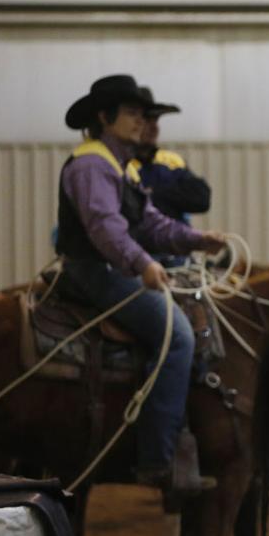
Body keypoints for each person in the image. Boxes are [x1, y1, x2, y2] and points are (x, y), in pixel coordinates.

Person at [56, 74, 227, 493]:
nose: (140, 121)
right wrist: (144, 264)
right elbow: (105, 229)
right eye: (131, 112)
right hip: (94, 272)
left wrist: (196, 240)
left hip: (107, 268)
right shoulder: (93, 164)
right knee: (178, 335)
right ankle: (158, 458)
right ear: (104, 116)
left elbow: (149, 222)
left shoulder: (118, 166)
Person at [130, 87, 211, 225]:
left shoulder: (171, 161)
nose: (154, 127)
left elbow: (201, 199)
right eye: (147, 120)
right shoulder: (121, 163)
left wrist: (153, 193)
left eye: (155, 120)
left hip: (175, 243)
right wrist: (173, 196)